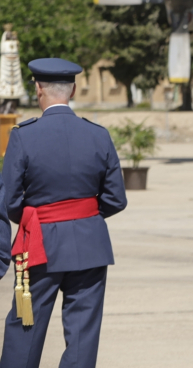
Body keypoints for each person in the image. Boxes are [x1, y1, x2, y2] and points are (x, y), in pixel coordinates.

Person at [1, 58, 127, 368]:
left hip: (40, 244)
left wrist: (34, 219)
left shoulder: (23, 135)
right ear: (72, 90)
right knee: (83, 334)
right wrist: (82, 215)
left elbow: (9, 199)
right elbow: (116, 198)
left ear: (38, 88)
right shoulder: (98, 134)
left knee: (25, 327)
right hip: (90, 242)